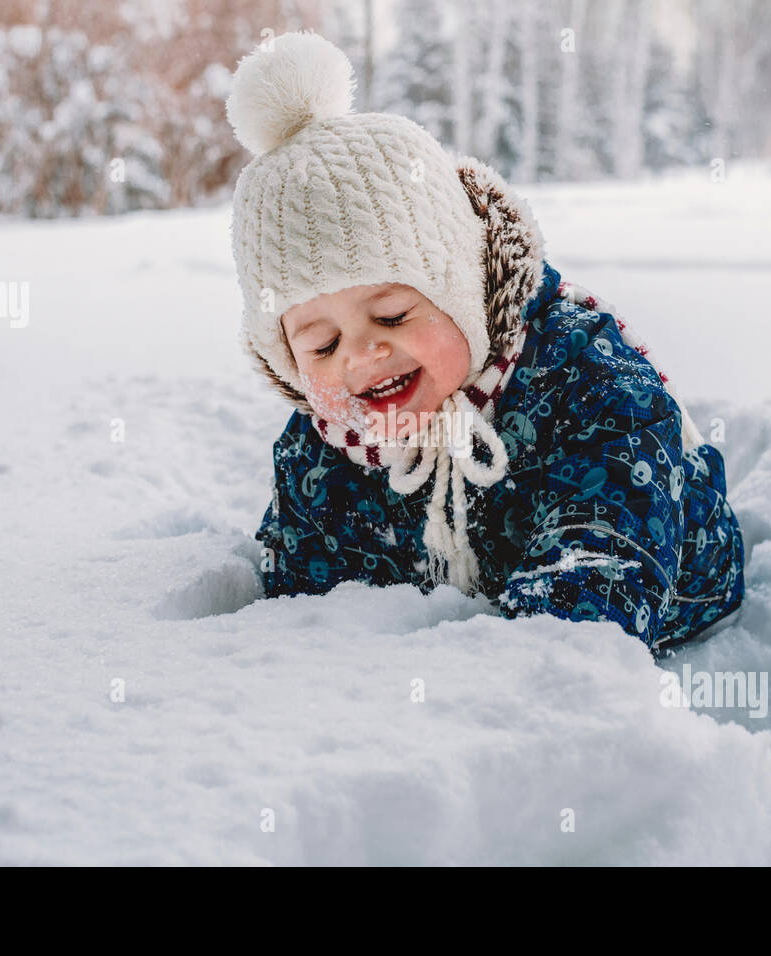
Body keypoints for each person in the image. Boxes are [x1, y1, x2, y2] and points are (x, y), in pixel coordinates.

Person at [227, 31, 744, 652]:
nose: (361, 355)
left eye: (392, 316)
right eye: (320, 344)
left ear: (465, 294)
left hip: (673, 600)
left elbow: (600, 589)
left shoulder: (589, 385)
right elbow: (299, 594)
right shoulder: (323, 452)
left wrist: (495, 673)